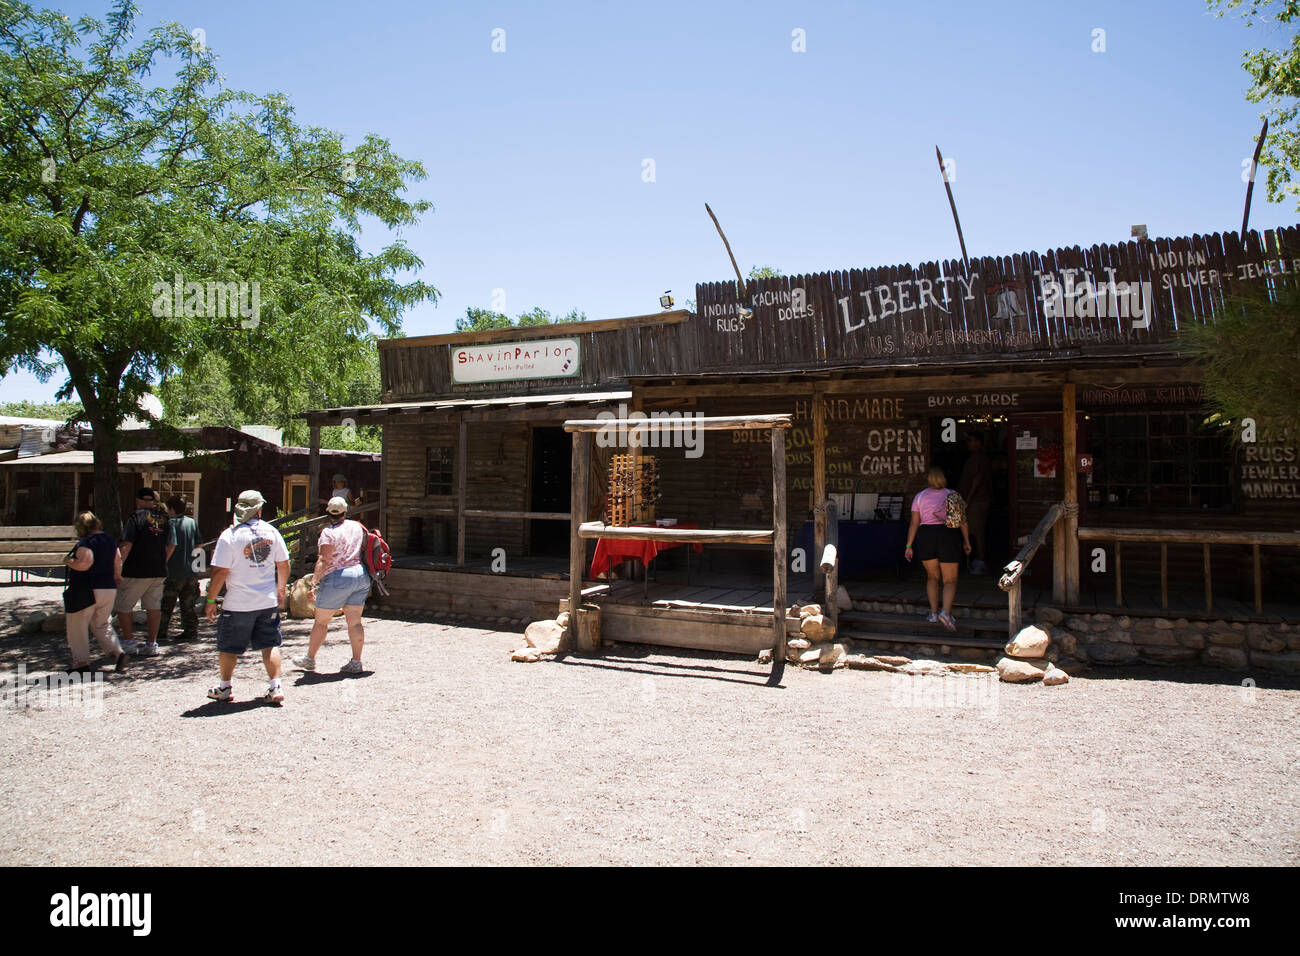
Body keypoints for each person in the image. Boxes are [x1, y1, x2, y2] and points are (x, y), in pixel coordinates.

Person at [205, 490, 290, 704]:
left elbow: (221, 571)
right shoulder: (271, 532)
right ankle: (275, 686)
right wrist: (281, 589)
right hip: (267, 600)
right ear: (259, 509)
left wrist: (210, 599)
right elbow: (284, 563)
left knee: (228, 647)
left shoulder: (230, 535)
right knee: (270, 644)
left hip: (238, 603)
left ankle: (224, 687)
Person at [294, 496, 370, 674]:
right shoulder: (356, 527)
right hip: (359, 574)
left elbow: (324, 559)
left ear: (328, 512)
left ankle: (310, 658)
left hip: (338, 577)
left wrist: (313, 582)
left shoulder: (328, 533)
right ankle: (356, 661)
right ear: (345, 511)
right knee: (355, 622)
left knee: (321, 621)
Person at [904, 466, 972, 632]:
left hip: (926, 535)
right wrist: (967, 541)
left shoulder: (919, 497)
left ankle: (934, 613)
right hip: (947, 534)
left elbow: (914, 523)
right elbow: (962, 521)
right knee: (949, 580)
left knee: (932, 577)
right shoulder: (953, 495)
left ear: (929, 479)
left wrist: (909, 545)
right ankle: (945, 613)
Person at [64, 512, 128, 673]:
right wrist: (117, 576)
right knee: (101, 623)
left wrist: (69, 561)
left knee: (77, 626)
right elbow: (118, 560)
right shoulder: (110, 540)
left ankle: (81, 664)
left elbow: (85, 563)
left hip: (87, 588)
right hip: (108, 588)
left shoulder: (87, 542)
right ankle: (118, 653)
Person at [115, 487, 175, 657]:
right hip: (158, 570)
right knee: (153, 607)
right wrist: (162, 561)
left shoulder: (135, 518)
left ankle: (128, 642)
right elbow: (171, 544)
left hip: (136, 570)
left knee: (123, 605)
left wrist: (118, 568)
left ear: (138, 501)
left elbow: (126, 545)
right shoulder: (165, 519)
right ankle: (151, 643)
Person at [159, 495, 201, 642]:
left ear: (171, 509)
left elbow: (172, 544)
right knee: (188, 603)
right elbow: (199, 545)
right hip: (191, 570)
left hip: (174, 570)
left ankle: (161, 631)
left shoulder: (170, 523)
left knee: (166, 603)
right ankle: (191, 630)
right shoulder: (192, 523)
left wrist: (162, 562)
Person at [958, 431, 994, 574]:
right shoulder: (973, 458)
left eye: (971, 441)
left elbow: (977, 479)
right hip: (972, 500)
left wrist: (969, 498)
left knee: (977, 530)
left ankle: (981, 561)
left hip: (977, 501)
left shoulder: (980, 458)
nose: (968, 444)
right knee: (971, 529)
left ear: (978, 442)